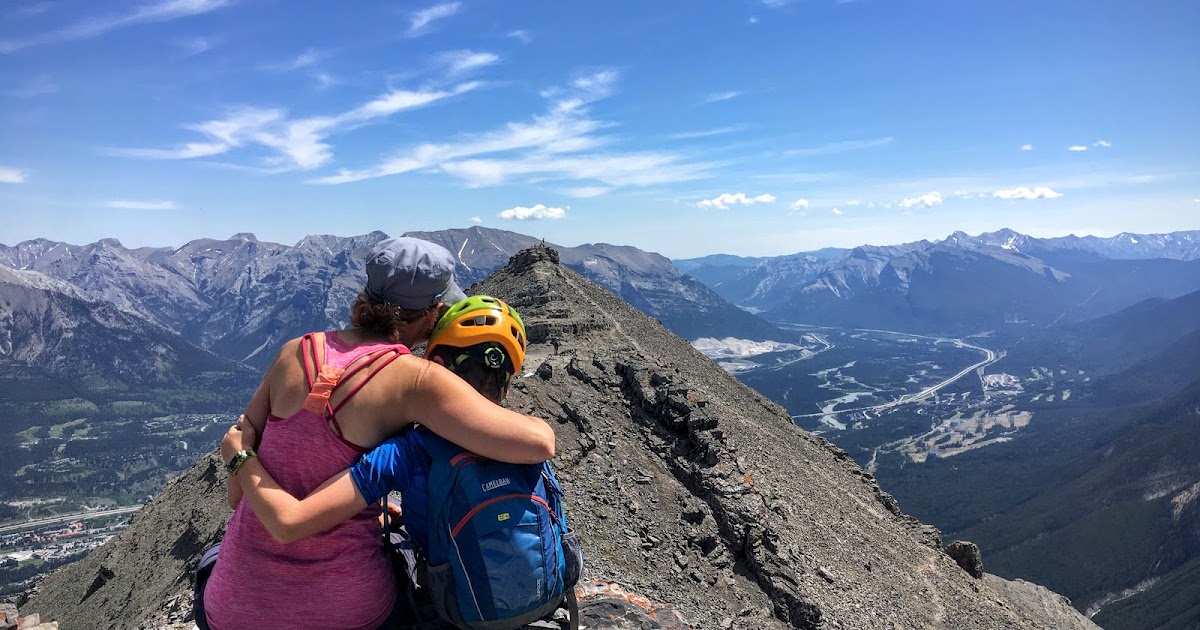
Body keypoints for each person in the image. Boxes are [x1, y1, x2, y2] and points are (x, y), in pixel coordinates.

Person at [198, 239, 555, 630]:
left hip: (230, 609)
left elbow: (237, 497)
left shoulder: (292, 351)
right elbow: (539, 443)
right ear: (433, 313)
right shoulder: (415, 379)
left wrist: (240, 456)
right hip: (347, 611)